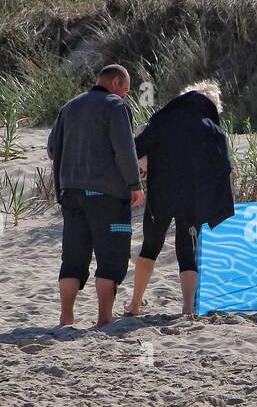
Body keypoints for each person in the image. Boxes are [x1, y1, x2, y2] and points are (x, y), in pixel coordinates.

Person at [46, 64, 144, 328]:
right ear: (115, 83)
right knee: (111, 258)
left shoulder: (69, 106)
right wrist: (135, 185)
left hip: (71, 193)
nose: (125, 95)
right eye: (125, 89)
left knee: (73, 259)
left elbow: (52, 149)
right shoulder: (115, 106)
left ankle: (66, 318)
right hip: (107, 196)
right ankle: (103, 318)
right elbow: (125, 151)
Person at [127, 80, 235, 317]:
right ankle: (187, 309)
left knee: (150, 246)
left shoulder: (163, 119)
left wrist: (145, 162)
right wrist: (222, 204)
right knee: (187, 252)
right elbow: (222, 168)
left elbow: (135, 147)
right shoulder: (211, 128)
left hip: (160, 193)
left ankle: (135, 304)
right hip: (192, 197)